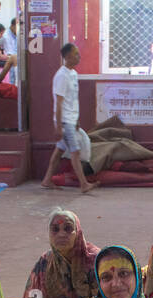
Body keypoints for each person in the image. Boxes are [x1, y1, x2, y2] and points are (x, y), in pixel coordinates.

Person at [41, 43, 97, 193]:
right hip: (65, 121)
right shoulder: (61, 76)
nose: (79, 57)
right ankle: (84, 184)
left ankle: (47, 180)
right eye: (76, 54)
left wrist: (77, 118)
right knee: (75, 151)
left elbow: (73, 99)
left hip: (71, 119)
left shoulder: (73, 74)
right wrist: (58, 126)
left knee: (59, 150)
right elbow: (58, 103)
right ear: (67, 57)